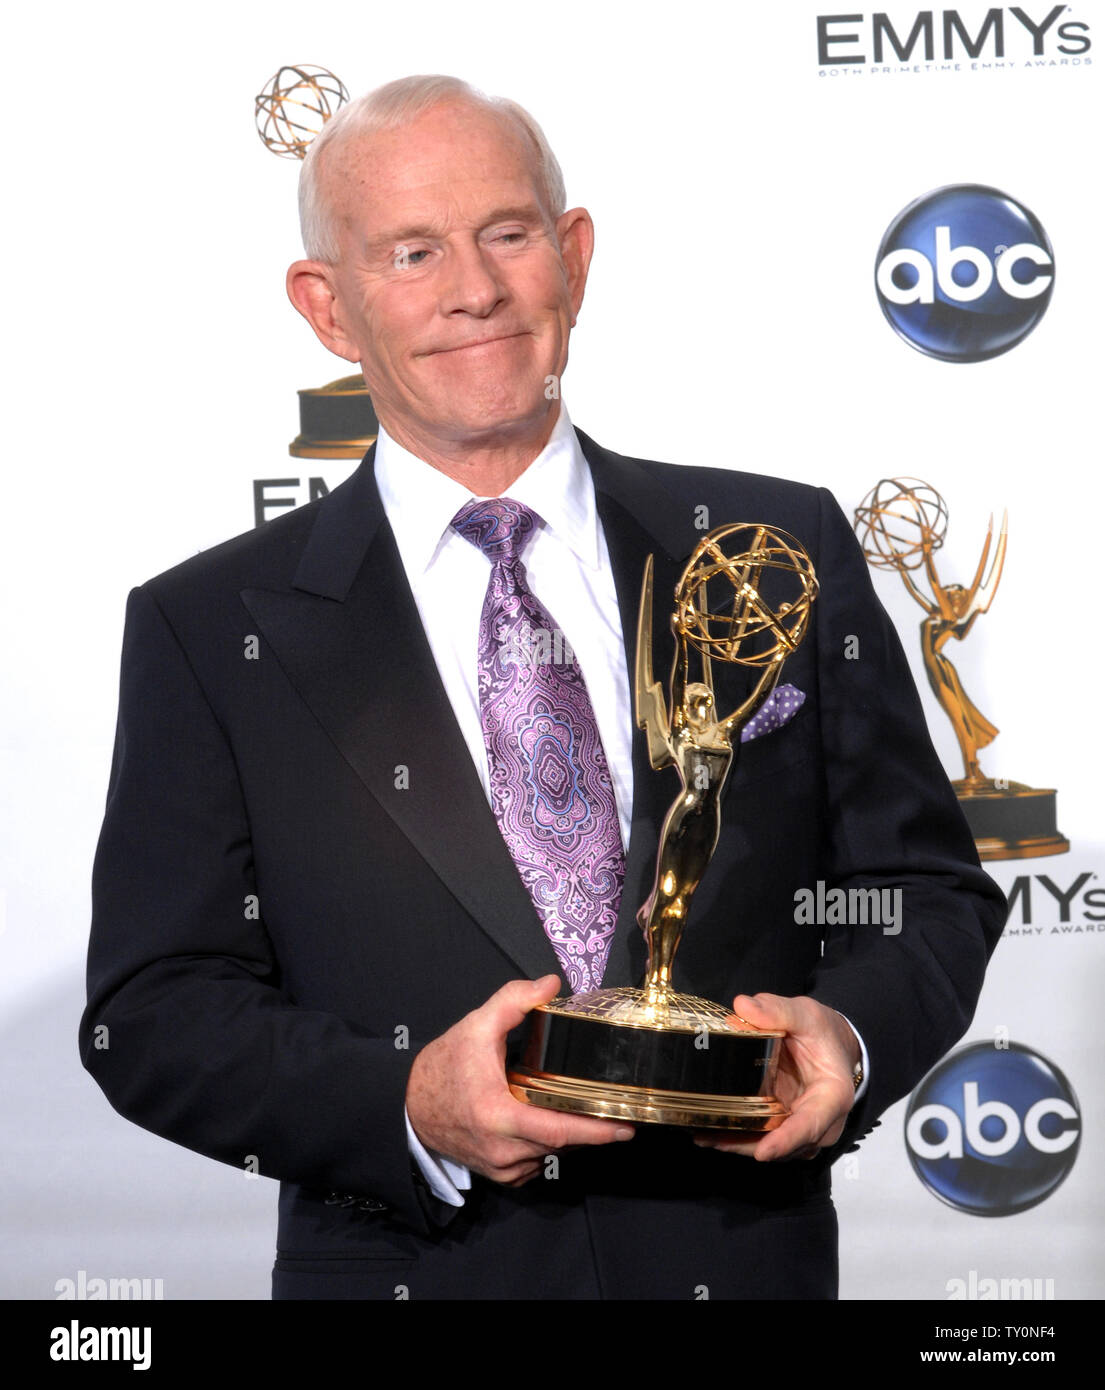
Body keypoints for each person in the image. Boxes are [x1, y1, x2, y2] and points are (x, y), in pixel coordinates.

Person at [81, 74, 1005, 1300]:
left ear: (571, 256)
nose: (475, 289)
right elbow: (152, 1011)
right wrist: (406, 1097)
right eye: (411, 252)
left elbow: (923, 890)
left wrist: (847, 1034)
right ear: (327, 308)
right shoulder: (208, 628)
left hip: (739, 1270)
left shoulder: (773, 548)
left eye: (508, 233)